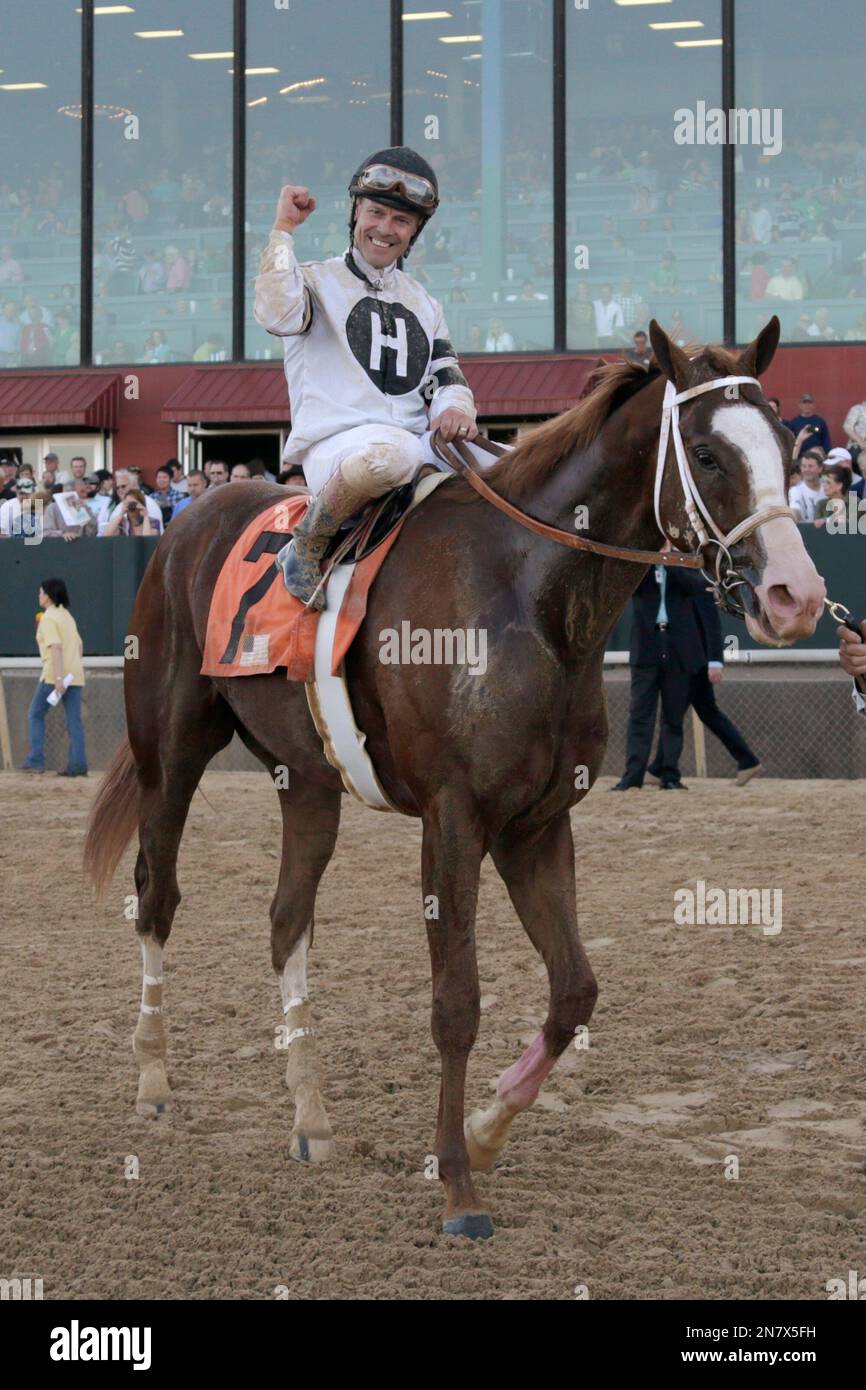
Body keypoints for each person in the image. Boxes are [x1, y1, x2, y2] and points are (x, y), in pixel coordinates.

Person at [253, 146, 487, 609]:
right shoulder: (314, 281)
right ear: (355, 210)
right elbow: (274, 312)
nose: (384, 229)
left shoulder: (425, 302)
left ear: (415, 231)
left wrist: (455, 408)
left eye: (400, 221)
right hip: (339, 447)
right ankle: (305, 544)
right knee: (390, 456)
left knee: (508, 467)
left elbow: (445, 374)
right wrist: (283, 230)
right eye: (376, 212)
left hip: (415, 443)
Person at [647, 582, 763, 788]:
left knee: (673, 717)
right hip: (693, 662)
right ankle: (747, 760)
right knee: (706, 714)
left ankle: (663, 770)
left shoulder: (697, 584)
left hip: (693, 665)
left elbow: (712, 625)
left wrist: (715, 662)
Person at [611, 566, 716, 791]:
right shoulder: (642, 569)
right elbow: (629, 586)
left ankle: (670, 775)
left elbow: (697, 586)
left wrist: (670, 562)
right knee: (640, 716)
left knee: (673, 717)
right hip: (646, 649)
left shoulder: (684, 567)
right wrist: (652, 560)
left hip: (679, 651)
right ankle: (633, 776)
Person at [22, 577, 87, 777]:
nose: (39, 595)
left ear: (48, 596)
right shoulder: (67, 616)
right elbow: (79, 646)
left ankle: (36, 760)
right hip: (74, 675)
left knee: (35, 714)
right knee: (74, 721)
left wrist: (58, 679)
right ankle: (78, 765)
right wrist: (68, 674)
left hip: (53, 676)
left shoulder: (48, 618)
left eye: (41, 592)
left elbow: (55, 647)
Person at [788, 452, 826, 523]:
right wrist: (793, 515)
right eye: (804, 466)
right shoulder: (795, 490)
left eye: (810, 466)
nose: (806, 469)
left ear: (820, 468)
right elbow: (795, 508)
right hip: (806, 532)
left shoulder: (828, 487)